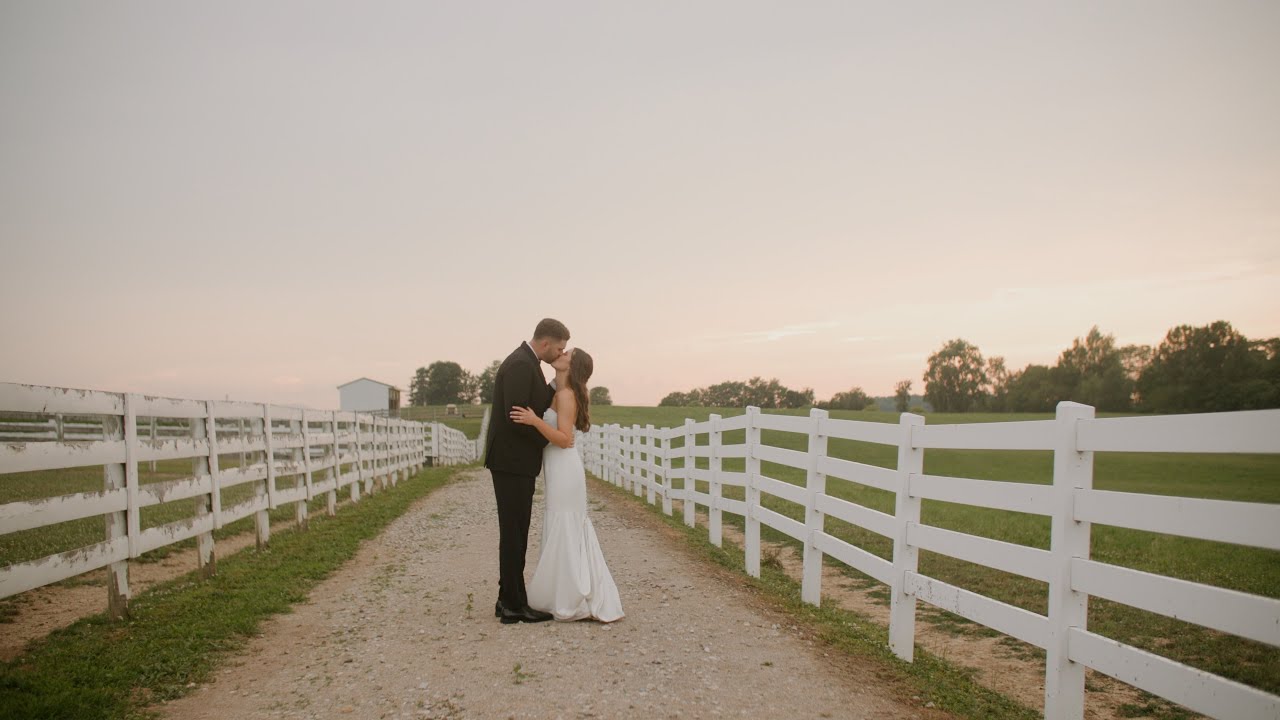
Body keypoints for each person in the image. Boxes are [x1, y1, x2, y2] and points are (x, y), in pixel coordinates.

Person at [510, 348, 624, 623]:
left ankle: (571, 597)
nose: (560, 354)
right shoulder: (558, 392)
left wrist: (534, 421)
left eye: (566, 355)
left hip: (565, 469)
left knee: (564, 525)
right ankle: (561, 592)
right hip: (557, 469)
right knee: (559, 524)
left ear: (572, 367)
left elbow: (563, 439)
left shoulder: (566, 395)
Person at [485, 318, 569, 624]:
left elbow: (534, 403)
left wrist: (556, 381)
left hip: (514, 462)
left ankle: (509, 598)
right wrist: (550, 439)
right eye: (559, 348)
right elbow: (517, 417)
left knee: (517, 531)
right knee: (514, 533)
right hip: (511, 461)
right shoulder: (521, 364)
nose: (560, 353)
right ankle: (512, 605)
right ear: (545, 343)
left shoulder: (528, 363)